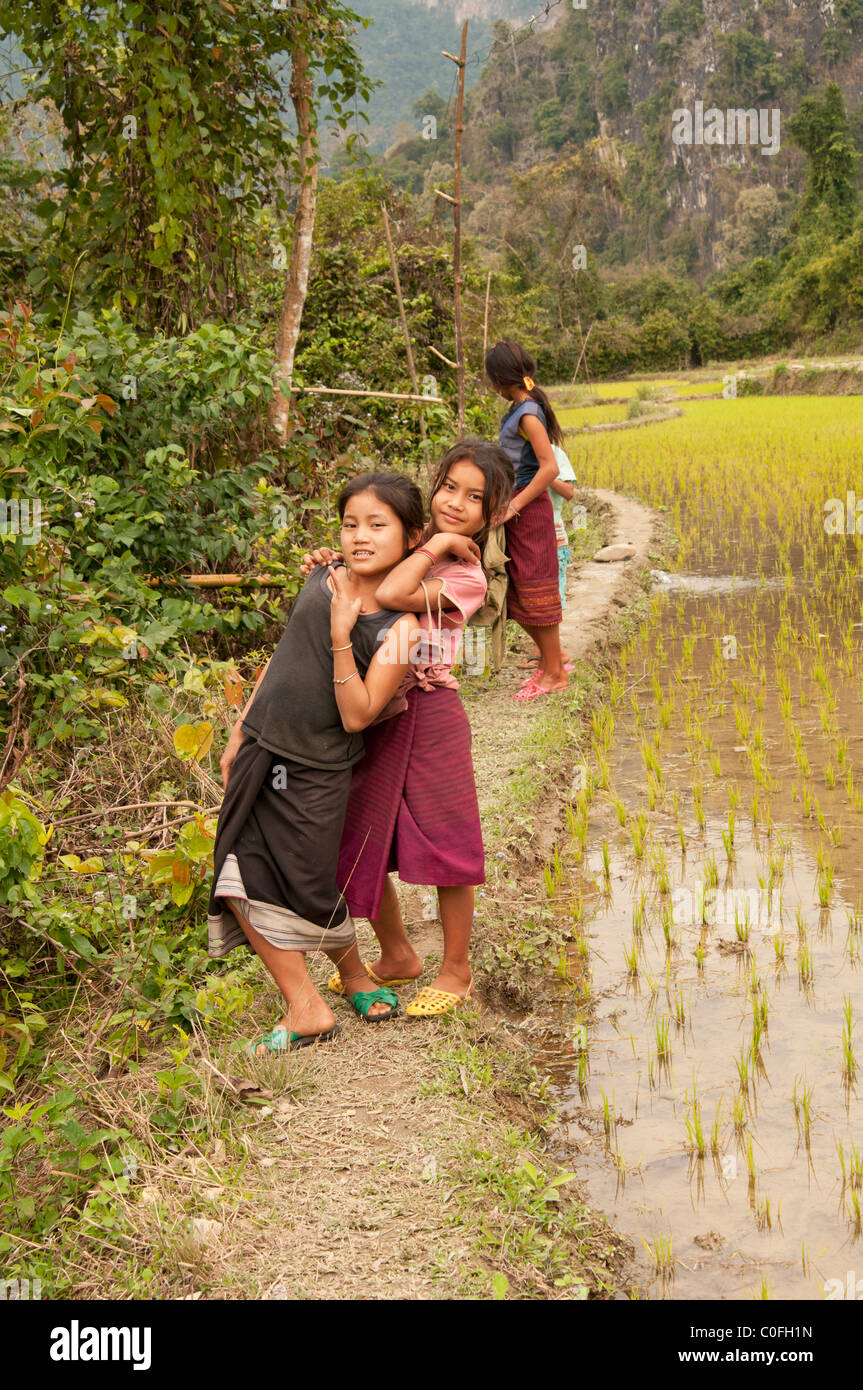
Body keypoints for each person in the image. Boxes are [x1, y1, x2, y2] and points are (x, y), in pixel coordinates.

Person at [207, 473, 422, 1054]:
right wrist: (240, 728)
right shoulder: (322, 576)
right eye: (351, 523)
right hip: (261, 747)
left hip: (320, 766)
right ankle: (307, 1005)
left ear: (411, 537)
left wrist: (341, 634)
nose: (360, 536)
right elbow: (281, 659)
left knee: (314, 881)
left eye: (378, 525)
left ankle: (352, 977)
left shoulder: (403, 629)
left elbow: (358, 715)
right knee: (236, 873)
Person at [304, 439, 514, 1015]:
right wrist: (331, 563)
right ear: (435, 484)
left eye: (475, 498)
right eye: (449, 488)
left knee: (446, 840)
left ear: (493, 513)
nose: (457, 503)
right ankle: (396, 955)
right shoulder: (413, 545)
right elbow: (362, 580)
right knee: (361, 835)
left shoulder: (466, 573)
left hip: (429, 710)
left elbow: (395, 594)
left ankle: (457, 968)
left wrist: (442, 543)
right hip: (375, 708)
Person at [485, 340, 569, 700]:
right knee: (521, 591)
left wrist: (515, 506)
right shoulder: (519, 409)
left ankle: (555, 674)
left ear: (499, 379)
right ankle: (552, 661)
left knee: (537, 592)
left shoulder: (528, 414)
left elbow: (549, 467)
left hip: (529, 512)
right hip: (519, 510)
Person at [519, 442, 576, 673]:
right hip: (526, 537)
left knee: (552, 594)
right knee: (529, 594)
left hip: (553, 537)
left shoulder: (555, 454)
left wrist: (545, 474)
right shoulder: (516, 454)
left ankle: (544, 651)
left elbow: (569, 492)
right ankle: (548, 650)